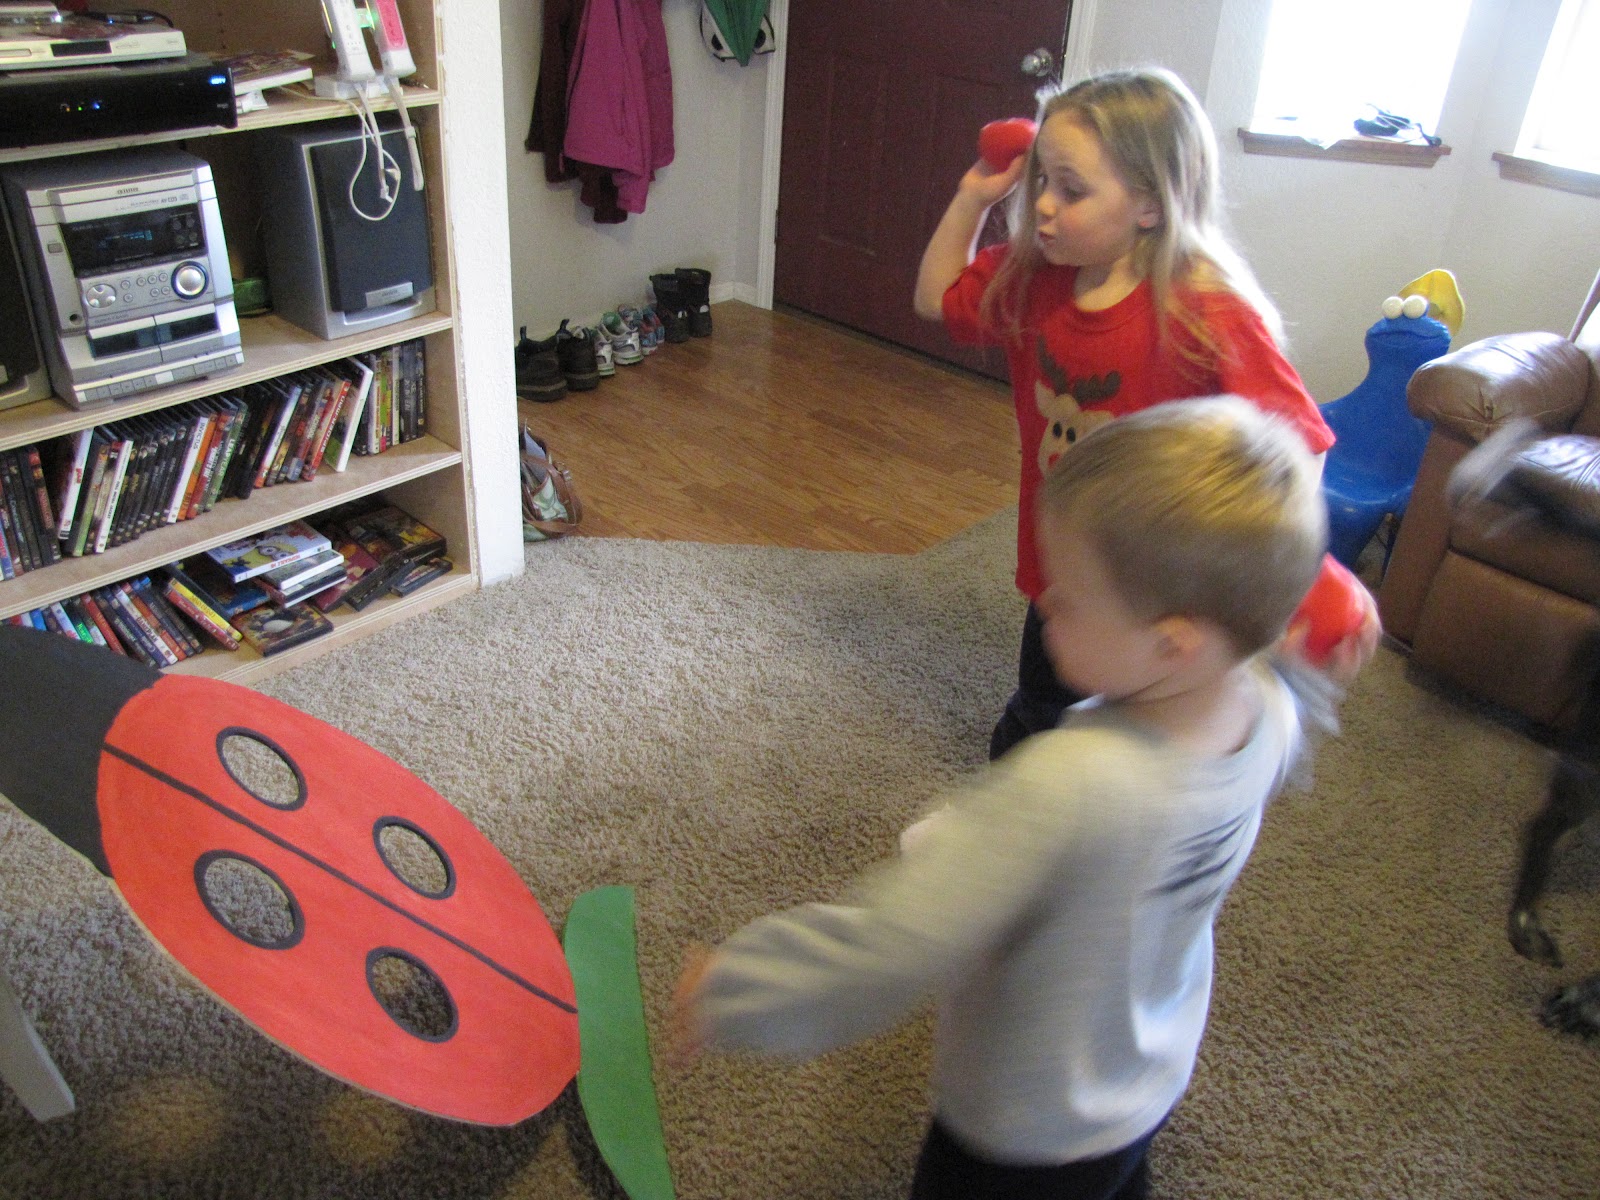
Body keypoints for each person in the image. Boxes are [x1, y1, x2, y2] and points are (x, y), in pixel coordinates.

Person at [671, 397, 1340, 1200]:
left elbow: (897, 945)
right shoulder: (1265, 707)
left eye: (1068, 595)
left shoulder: (1067, 783)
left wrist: (739, 988)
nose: (1044, 604)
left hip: (1025, 1128)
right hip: (1147, 1072)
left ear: (1173, 643)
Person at [912, 66, 1352, 760]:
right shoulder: (1035, 280)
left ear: (1149, 203)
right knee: (1041, 710)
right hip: (1069, 568)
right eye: (1042, 183)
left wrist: (1300, 571)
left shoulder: (1206, 311)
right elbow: (936, 298)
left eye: (1073, 189)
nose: (1046, 207)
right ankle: (1012, 819)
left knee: (1147, 732)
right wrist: (973, 196)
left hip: (1164, 585)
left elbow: (1296, 446)